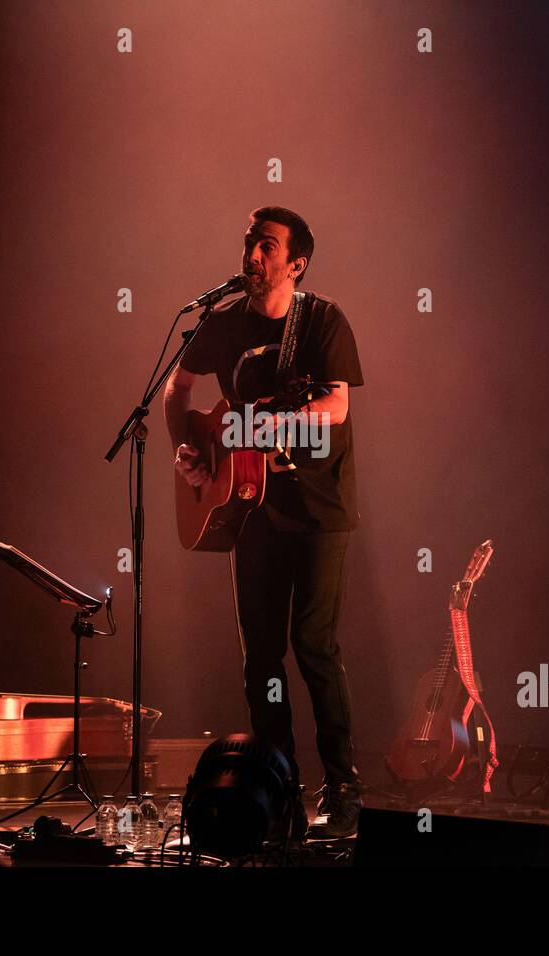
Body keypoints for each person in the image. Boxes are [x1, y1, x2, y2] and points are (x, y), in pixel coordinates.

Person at [163, 206, 365, 839]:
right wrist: (191, 451)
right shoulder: (221, 324)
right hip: (249, 507)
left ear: (295, 264)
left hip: (316, 507)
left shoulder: (323, 319)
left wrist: (284, 423)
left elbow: (336, 403)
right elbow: (178, 389)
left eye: (267, 247)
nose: (253, 254)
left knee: (315, 647)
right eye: (250, 242)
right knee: (261, 658)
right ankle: (280, 785)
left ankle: (342, 784)